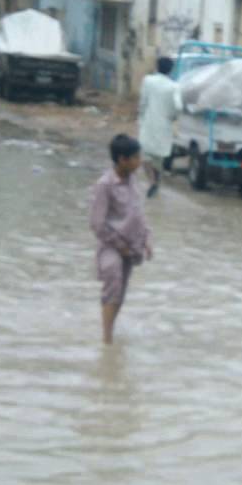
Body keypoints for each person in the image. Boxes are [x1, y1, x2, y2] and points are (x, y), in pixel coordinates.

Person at [91, 135, 153, 345]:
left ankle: (110, 329)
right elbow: (97, 223)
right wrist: (119, 246)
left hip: (132, 244)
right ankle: (106, 339)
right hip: (111, 245)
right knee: (113, 283)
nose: (139, 161)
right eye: (135, 157)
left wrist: (146, 238)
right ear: (122, 159)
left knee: (121, 291)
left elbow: (138, 212)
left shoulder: (133, 180)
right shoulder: (105, 185)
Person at [137, 56, 182, 198]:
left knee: (145, 156)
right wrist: (172, 117)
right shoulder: (174, 86)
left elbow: (143, 102)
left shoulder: (148, 81)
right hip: (165, 125)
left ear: (157, 67)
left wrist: (141, 117)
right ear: (171, 70)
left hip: (149, 122)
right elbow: (178, 107)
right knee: (158, 158)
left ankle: (152, 181)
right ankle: (156, 182)